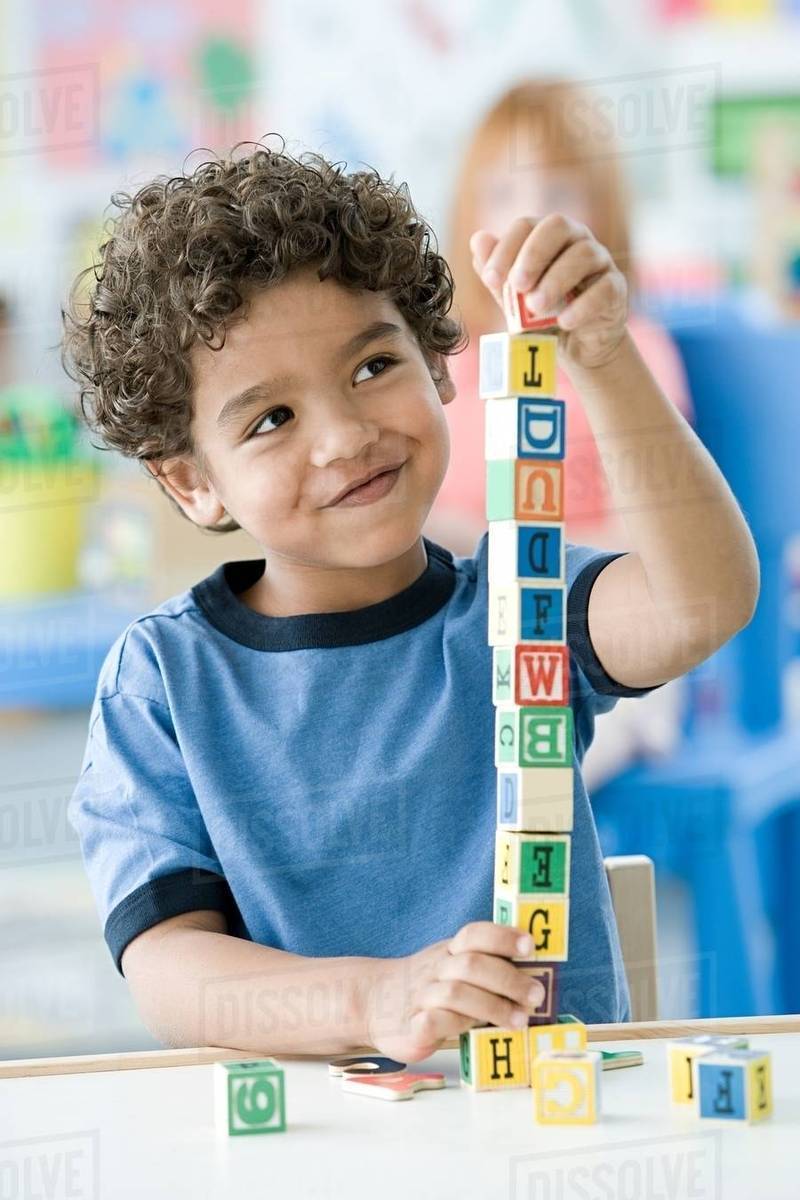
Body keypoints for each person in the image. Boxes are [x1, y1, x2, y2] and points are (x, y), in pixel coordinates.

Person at [61, 137, 758, 1062]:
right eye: (272, 419)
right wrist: (378, 998)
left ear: (438, 368)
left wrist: (602, 354)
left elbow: (702, 600)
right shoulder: (164, 681)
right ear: (193, 482)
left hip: (548, 1143)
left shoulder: (524, 602)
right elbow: (170, 970)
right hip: (321, 1150)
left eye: (372, 368)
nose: (346, 436)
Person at [424, 80, 695, 790]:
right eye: (503, 192)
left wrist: (502, 545)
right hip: (473, 643)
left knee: (516, 774)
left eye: (558, 193)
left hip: (610, 642)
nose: (530, 220)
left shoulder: (633, 354)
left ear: (604, 214)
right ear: (466, 215)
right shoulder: (445, 360)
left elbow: (660, 545)